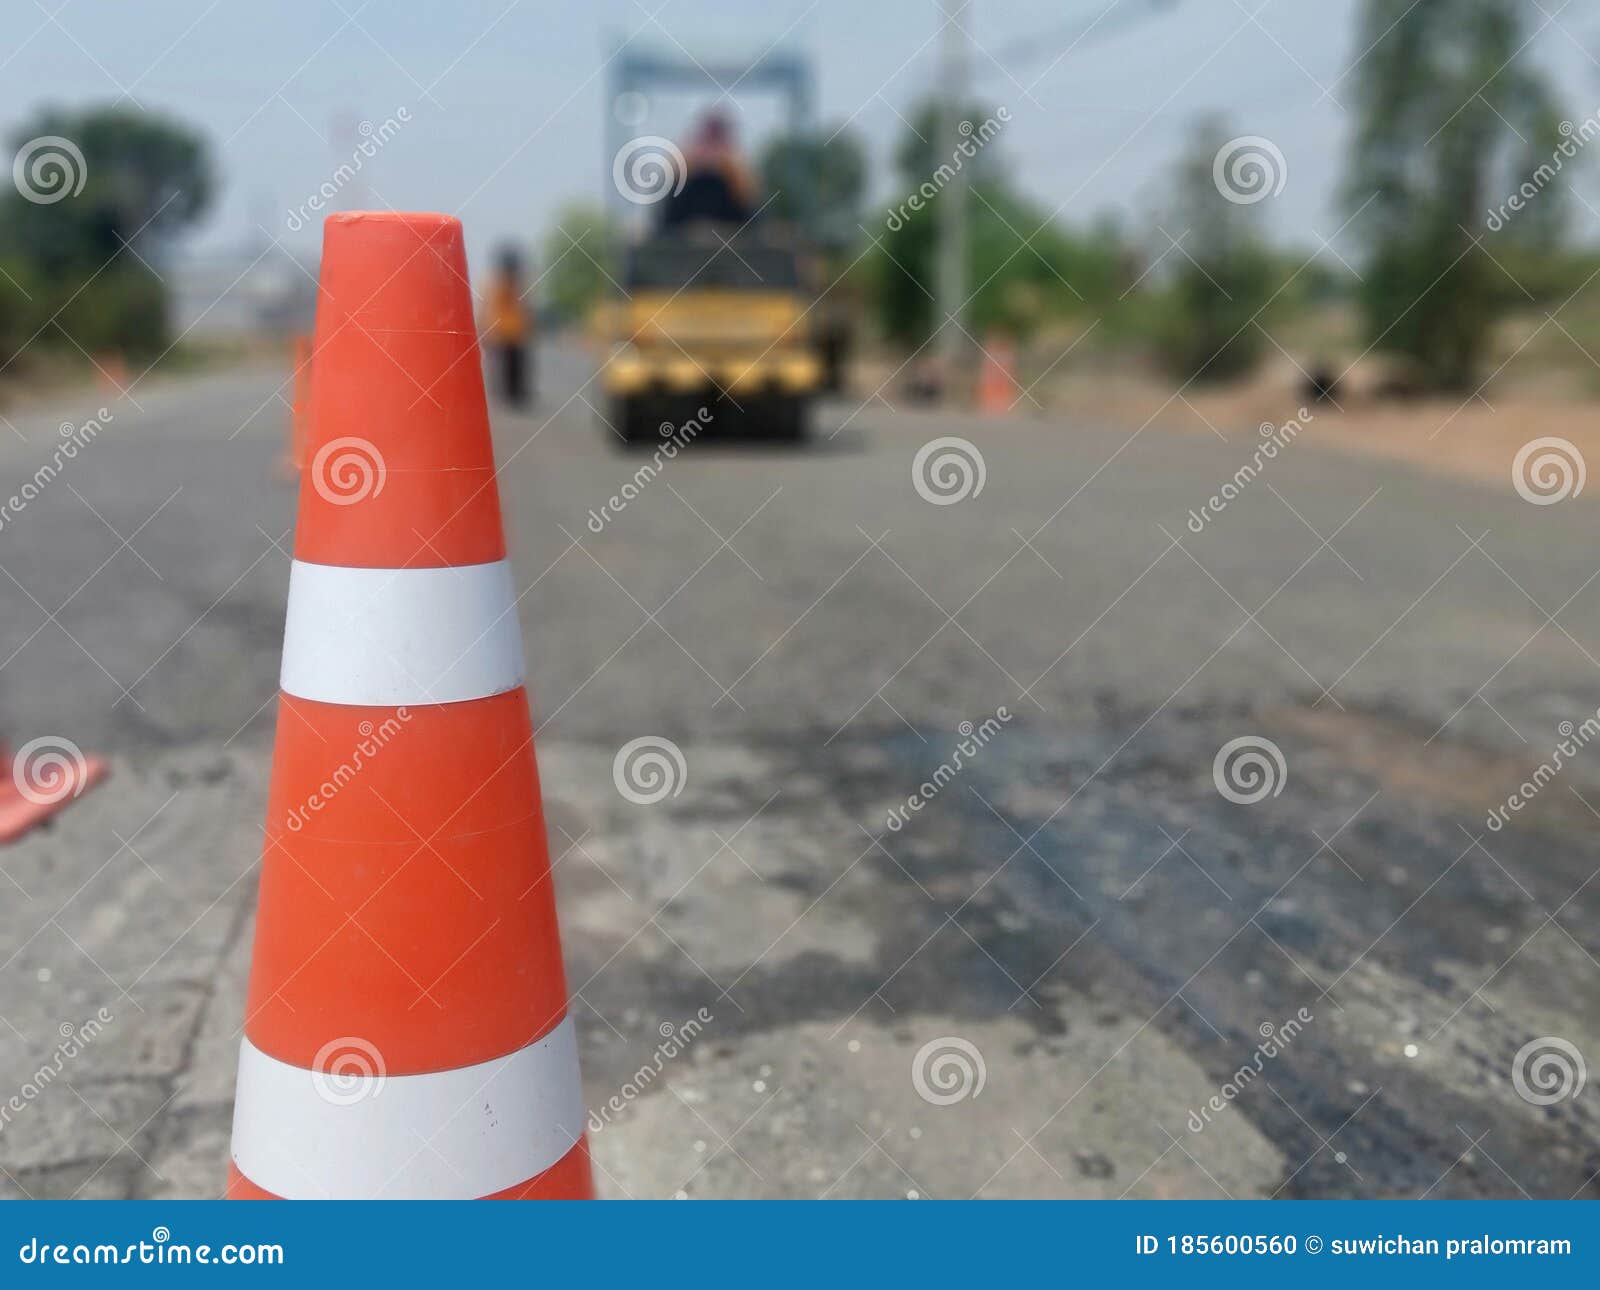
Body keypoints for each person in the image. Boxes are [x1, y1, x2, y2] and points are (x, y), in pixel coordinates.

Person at [659, 109, 757, 230]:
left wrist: (733, 174)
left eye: (717, 138)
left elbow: (752, 222)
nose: (712, 149)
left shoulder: (739, 179)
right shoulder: (684, 175)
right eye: (708, 137)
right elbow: (665, 224)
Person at [482, 246, 533, 407]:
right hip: (503, 332)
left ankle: (516, 391)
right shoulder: (498, 285)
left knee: (516, 365)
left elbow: (523, 309)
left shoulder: (515, 284)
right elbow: (491, 309)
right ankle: (508, 392)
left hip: (515, 333)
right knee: (505, 365)